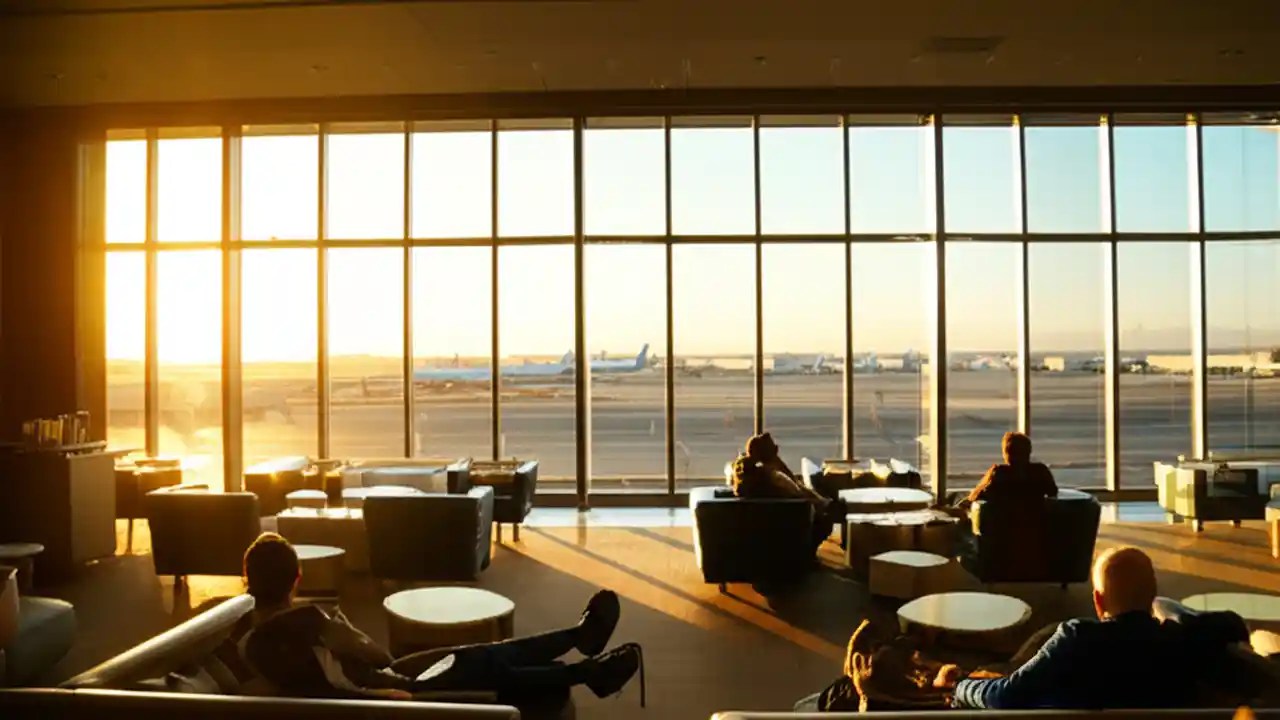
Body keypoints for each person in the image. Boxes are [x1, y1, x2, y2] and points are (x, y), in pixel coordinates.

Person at [237, 533, 644, 711]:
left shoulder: (245, 639)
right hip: (388, 691)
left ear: (248, 580)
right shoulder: (309, 621)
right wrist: (344, 633)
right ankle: (585, 667)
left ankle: (579, 642)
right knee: (482, 663)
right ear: (297, 578)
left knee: (477, 655)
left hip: (378, 681)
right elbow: (376, 654)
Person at [933, 547, 1251, 709]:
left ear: (1098, 600)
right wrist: (1176, 617)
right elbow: (1233, 624)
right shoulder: (1184, 643)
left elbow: (1005, 698)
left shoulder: (1076, 639)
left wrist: (960, 686)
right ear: (1152, 594)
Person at [733, 432, 845, 553]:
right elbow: (798, 492)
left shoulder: (750, 477)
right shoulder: (774, 478)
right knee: (834, 510)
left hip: (772, 524)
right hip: (791, 521)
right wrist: (779, 464)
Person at [962, 430, 1057, 509]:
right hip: (1034, 524)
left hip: (1003, 524)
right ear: (1029, 451)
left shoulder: (999, 473)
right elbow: (1053, 494)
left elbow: (976, 497)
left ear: (1006, 453)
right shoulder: (1040, 472)